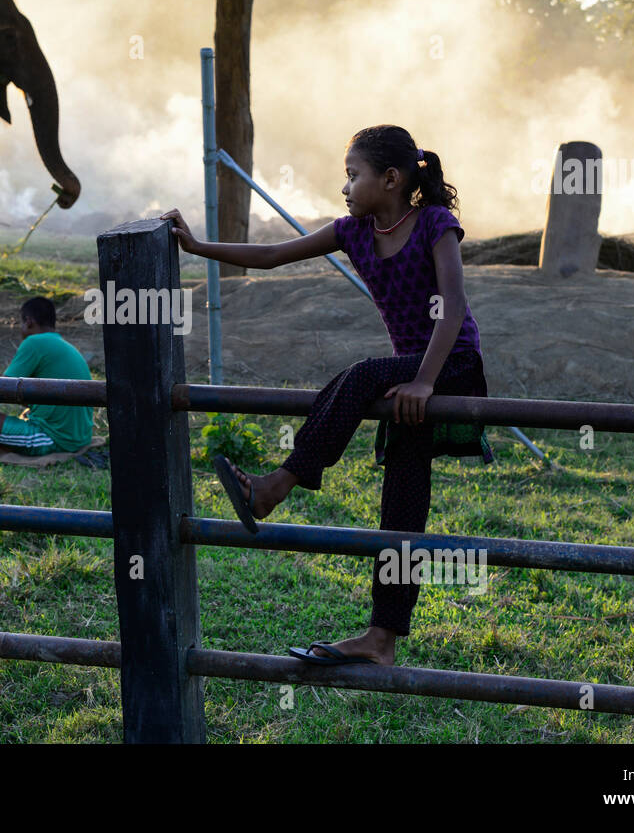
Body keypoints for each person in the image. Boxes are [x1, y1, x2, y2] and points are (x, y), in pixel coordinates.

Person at [160, 123, 494, 667]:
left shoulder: (436, 224)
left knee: (360, 375)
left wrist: (425, 380)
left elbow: (453, 307)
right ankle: (381, 639)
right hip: (405, 378)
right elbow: (271, 255)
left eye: (352, 175)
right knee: (402, 510)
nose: (344, 187)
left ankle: (274, 487)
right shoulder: (353, 231)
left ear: (389, 179)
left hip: (450, 364)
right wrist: (196, 246)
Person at [0, 296, 94, 456]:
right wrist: (1, 380)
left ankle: (4, 447)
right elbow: (35, 394)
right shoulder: (63, 345)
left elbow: (1, 393)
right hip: (79, 437)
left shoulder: (34, 342)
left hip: (56, 439)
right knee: (7, 415)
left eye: (21, 323)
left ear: (28, 322)